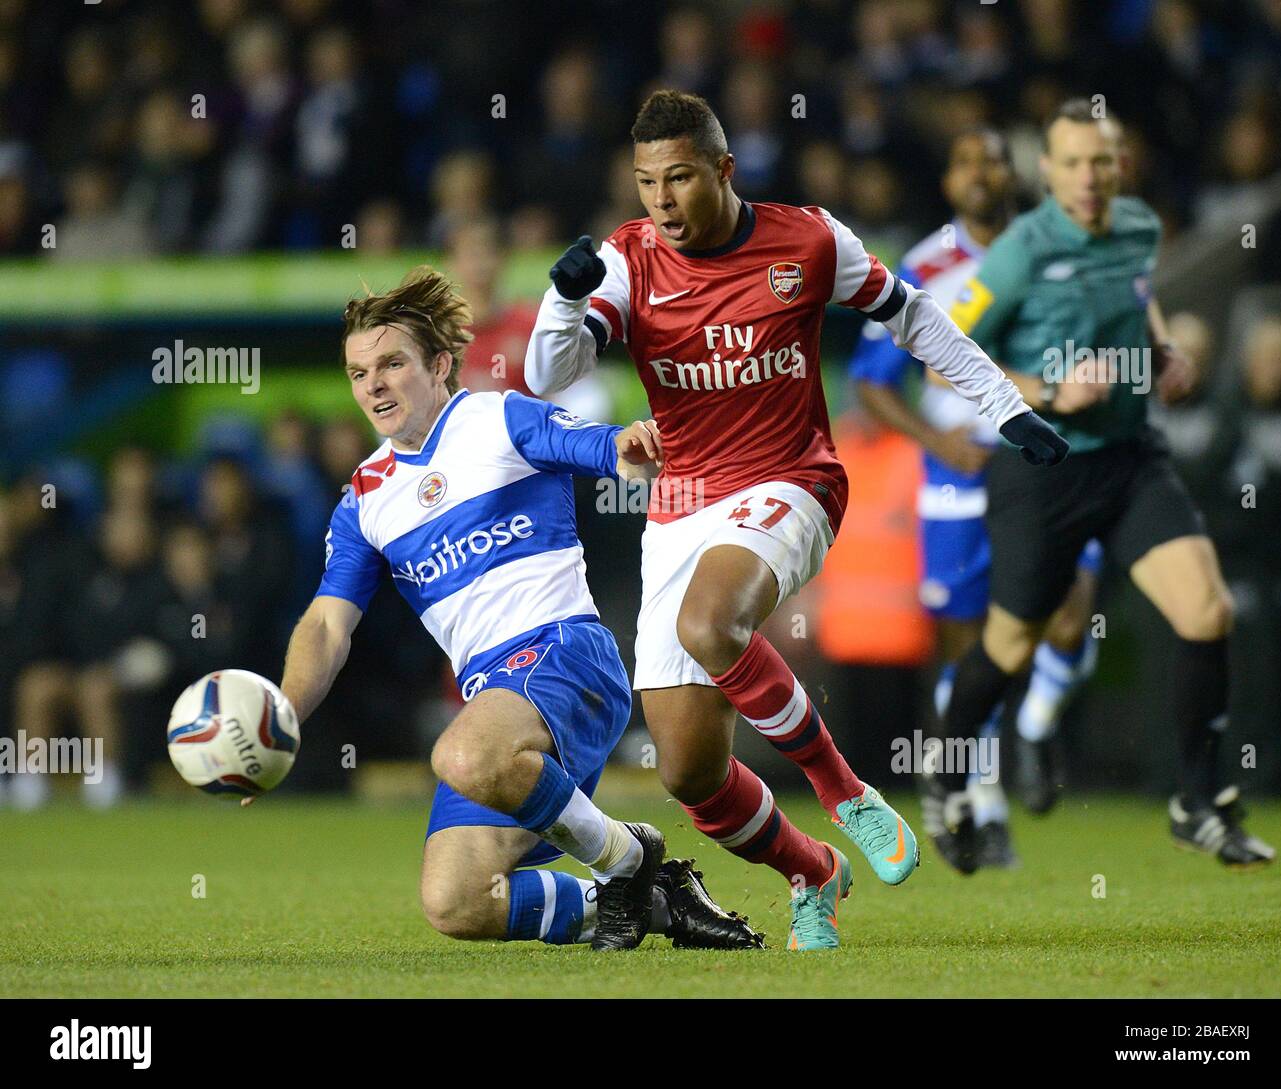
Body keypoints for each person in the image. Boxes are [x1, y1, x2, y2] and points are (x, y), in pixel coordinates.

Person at [526, 90, 1065, 949]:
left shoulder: (808, 239)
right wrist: (563, 299)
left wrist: (1005, 408)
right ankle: (812, 870)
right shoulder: (628, 260)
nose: (661, 201)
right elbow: (549, 373)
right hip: (678, 507)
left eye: (679, 178)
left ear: (724, 170)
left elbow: (917, 316)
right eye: (645, 182)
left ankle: (847, 792)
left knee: (712, 621)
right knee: (691, 775)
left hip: (793, 479)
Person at [258, 266, 762, 952]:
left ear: (439, 365)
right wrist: (283, 718)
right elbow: (325, 624)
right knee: (459, 902)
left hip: (565, 655)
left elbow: (595, 445)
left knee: (459, 752)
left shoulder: (498, 416)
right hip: (496, 703)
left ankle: (625, 857)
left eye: (391, 363)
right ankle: (659, 898)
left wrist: (627, 446)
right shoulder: (365, 499)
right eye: (357, 371)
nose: (372, 384)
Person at [932, 99, 1274, 870]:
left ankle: (1198, 800)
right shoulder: (1021, 249)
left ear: (1121, 166)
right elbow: (945, 354)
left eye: (1103, 162)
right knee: (1009, 643)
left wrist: (1165, 351)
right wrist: (1047, 392)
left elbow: (1138, 298)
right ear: (1047, 172)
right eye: (1074, 162)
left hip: (1128, 457)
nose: (1090, 177)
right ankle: (949, 777)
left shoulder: (1140, 229)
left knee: (1208, 610)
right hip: (1042, 466)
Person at [853, 128, 1103, 870]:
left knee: (1070, 607)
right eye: (964, 160)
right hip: (958, 475)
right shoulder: (921, 268)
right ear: (949, 181)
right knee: (968, 644)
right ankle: (988, 803)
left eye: (993, 157)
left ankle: (1037, 719)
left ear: (1013, 171)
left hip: (1046, 460)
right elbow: (872, 379)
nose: (980, 172)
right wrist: (934, 441)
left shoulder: (1055, 252)